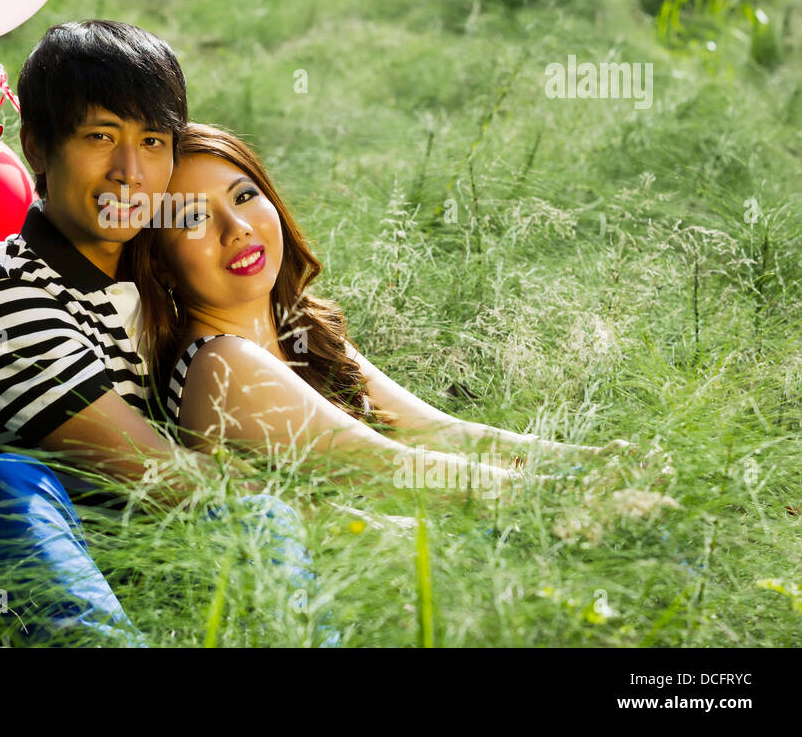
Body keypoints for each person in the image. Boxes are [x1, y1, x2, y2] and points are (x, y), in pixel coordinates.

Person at [0, 22, 339, 647]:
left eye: (153, 142)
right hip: (16, 604)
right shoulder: (6, 292)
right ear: (37, 147)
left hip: (159, 580)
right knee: (9, 481)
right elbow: (153, 474)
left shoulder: (165, 267)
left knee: (257, 513)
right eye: (101, 137)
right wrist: (326, 512)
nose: (130, 172)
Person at [120, 122, 670, 502]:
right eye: (193, 217)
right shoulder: (219, 365)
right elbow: (387, 467)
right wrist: (561, 497)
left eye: (243, 197)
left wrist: (588, 461)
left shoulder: (297, 331)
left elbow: (432, 431)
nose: (236, 227)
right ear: (162, 264)